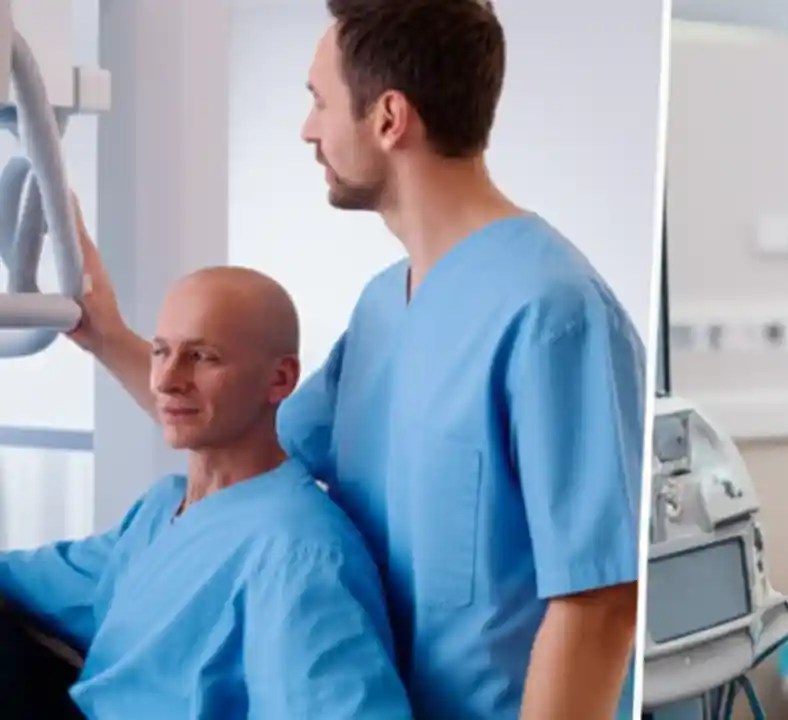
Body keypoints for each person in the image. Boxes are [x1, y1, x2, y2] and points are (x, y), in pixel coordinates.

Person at [67, 1, 644, 718]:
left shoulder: (553, 312)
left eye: (319, 100)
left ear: (390, 117)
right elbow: (244, 427)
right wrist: (107, 336)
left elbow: (601, 601)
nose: (308, 128)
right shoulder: (383, 309)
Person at [0, 267, 412, 718]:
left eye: (203, 357)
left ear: (280, 379)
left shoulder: (296, 552)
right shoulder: (162, 509)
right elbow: (64, 581)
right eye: (161, 352)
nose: (168, 380)